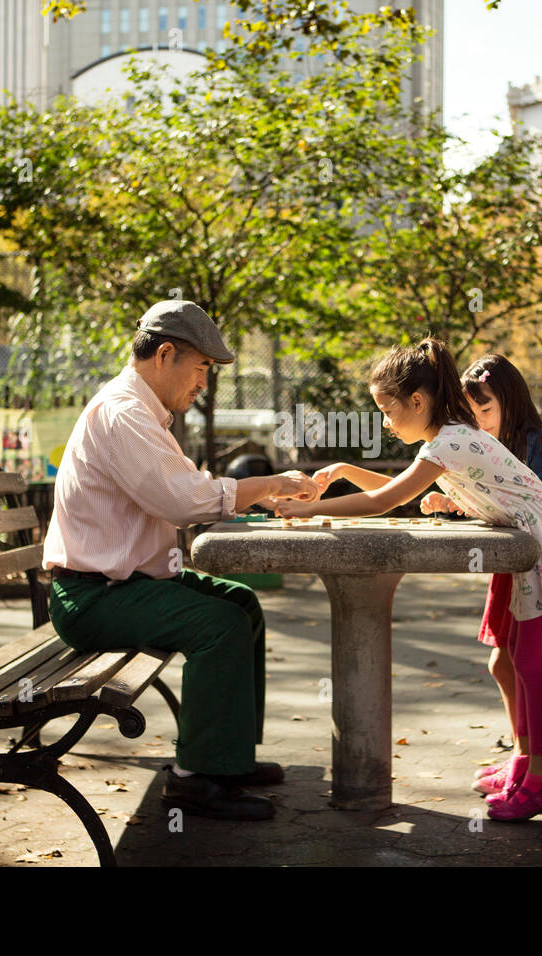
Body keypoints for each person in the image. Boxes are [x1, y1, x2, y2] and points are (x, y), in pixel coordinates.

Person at [274, 338, 542, 821]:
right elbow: (398, 491)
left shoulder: (450, 441)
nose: (386, 424)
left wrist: (310, 510)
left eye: (388, 411)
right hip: (535, 547)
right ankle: (525, 763)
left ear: (417, 401)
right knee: (518, 658)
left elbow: (383, 502)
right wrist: (344, 472)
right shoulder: (449, 437)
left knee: (531, 664)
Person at [43, 300, 320, 822]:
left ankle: (228, 758)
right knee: (218, 624)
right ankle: (195, 778)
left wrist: (261, 498)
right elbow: (180, 500)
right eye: (201, 369)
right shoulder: (124, 413)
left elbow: (183, 489)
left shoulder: (142, 412)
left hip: (117, 587)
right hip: (92, 598)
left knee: (241, 602)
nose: (202, 385)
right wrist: (268, 484)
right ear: (165, 354)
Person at [458, 353, 542, 800]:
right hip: (513, 568)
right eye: (473, 414)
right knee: (504, 662)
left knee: (527, 663)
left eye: (485, 409)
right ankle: (523, 759)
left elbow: (541, 507)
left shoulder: (533, 441)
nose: (480, 421)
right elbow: (493, 501)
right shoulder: (493, 444)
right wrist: (455, 502)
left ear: (509, 399)